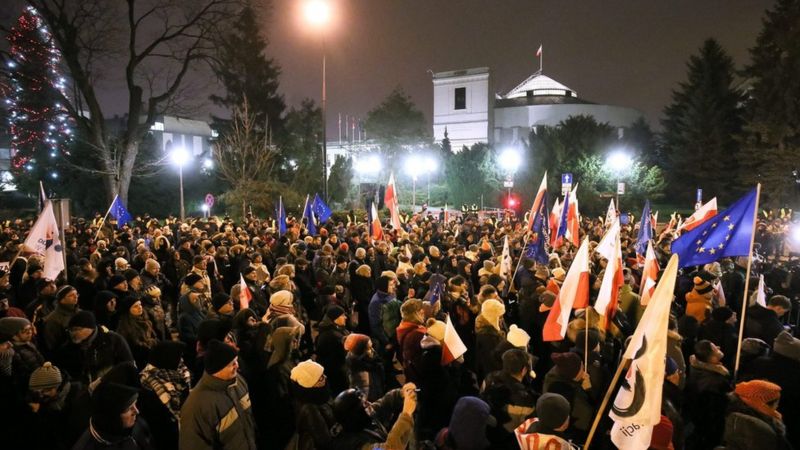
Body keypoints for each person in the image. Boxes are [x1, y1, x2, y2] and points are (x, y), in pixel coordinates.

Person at [180, 339, 257, 450]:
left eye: (236, 361)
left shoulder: (238, 381)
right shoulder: (196, 406)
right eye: (232, 364)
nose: (237, 366)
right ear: (217, 369)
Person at [329, 382, 418, 450]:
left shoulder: (361, 419)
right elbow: (389, 448)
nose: (369, 404)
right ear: (356, 414)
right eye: (364, 404)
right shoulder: (354, 445)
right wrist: (406, 414)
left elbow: (383, 404)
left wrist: (401, 393)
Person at [54, 311, 134, 384]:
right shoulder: (67, 349)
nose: (73, 333)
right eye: (70, 330)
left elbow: (127, 365)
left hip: (111, 387)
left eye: (77, 329)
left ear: (90, 328)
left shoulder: (113, 340)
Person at [138, 340, 190, 450]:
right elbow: (159, 422)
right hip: (165, 438)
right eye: (178, 358)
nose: (181, 361)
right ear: (167, 359)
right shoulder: (150, 385)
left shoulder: (178, 376)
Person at [72, 380, 154, 450]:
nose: (137, 411)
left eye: (135, 404)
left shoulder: (135, 423)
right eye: (129, 409)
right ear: (112, 416)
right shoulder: (86, 446)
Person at [684, 339, 732, 449]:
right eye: (715, 349)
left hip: (698, 414)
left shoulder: (695, 366)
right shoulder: (716, 380)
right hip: (710, 419)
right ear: (711, 358)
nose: (718, 349)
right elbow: (721, 405)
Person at [723, 380, 791, 450]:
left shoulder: (736, 416)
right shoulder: (756, 426)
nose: (777, 406)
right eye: (776, 403)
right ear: (762, 404)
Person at [290, 359, 337, 450]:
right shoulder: (310, 409)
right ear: (311, 384)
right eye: (321, 377)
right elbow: (325, 441)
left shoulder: (321, 397)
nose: (325, 377)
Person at [315, 305, 349, 395]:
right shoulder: (333, 336)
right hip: (336, 373)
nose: (345, 317)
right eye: (342, 315)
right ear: (335, 318)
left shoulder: (335, 329)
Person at [42, 285, 80, 353]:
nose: (76, 296)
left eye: (76, 294)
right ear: (62, 300)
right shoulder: (53, 319)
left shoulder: (79, 312)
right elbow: (52, 344)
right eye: (71, 295)